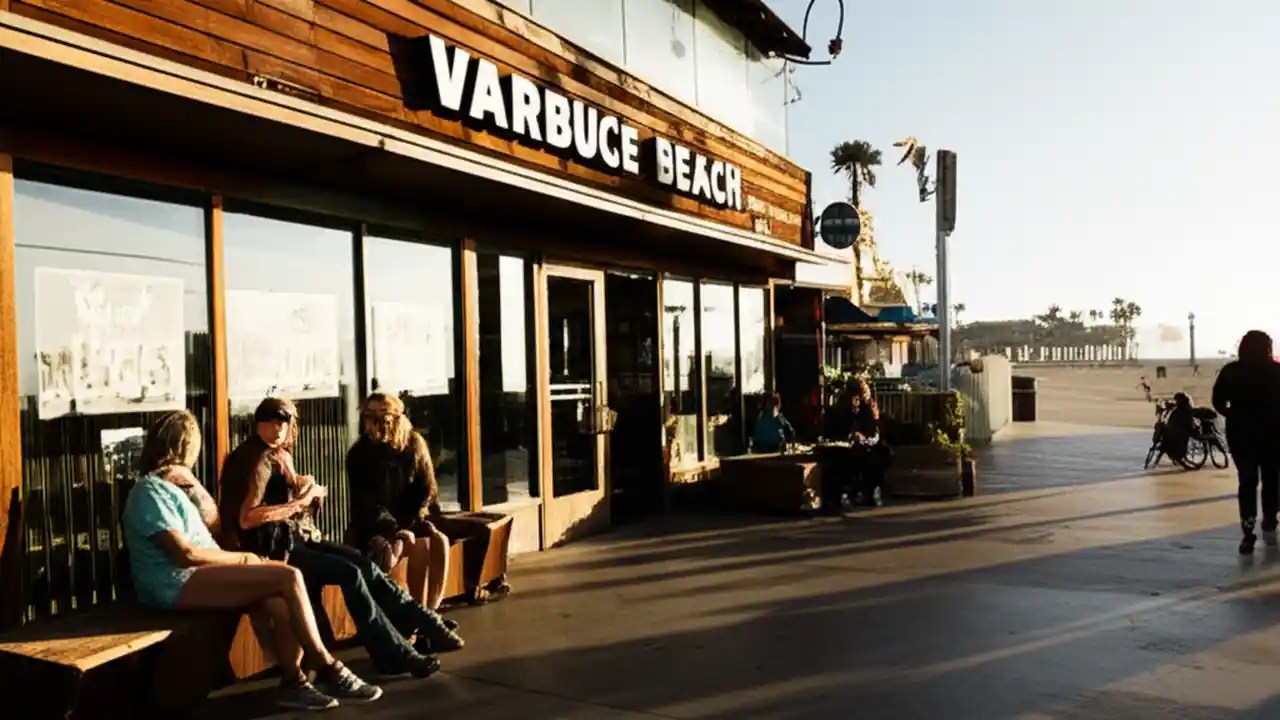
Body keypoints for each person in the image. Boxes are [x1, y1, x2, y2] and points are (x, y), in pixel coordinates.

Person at [123, 410, 381, 711]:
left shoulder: (175, 487)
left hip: (199, 574)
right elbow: (184, 554)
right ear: (181, 446)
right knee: (289, 577)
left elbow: (213, 528)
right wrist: (244, 559)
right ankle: (326, 664)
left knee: (279, 603)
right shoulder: (149, 491)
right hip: (171, 582)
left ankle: (293, 681)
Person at [219, 397, 463, 680]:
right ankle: (395, 651)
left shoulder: (272, 453)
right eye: (283, 423)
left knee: (362, 564)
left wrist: (305, 488)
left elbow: (424, 491)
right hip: (271, 549)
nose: (287, 429)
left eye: (289, 423)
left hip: (291, 538)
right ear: (268, 425)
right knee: (350, 573)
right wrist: (299, 502)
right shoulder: (258, 459)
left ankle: (420, 621)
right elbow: (247, 518)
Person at [347, 393, 452, 611]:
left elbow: (426, 488)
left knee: (439, 541)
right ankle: (417, 612)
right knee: (418, 546)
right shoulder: (359, 454)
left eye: (382, 418)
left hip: (410, 517)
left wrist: (409, 523)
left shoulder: (413, 444)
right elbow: (365, 502)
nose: (375, 425)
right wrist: (394, 530)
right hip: (376, 525)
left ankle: (430, 610)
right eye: (369, 417)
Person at [1212, 330, 1280, 555]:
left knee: (1247, 483)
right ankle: (1270, 521)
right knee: (1272, 480)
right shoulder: (1276, 371)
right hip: (1273, 436)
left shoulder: (1232, 371)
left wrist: (1232, 415)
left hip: (1242, 436)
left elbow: (1218, 401)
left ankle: (1248, 533)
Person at [849, 379, 888, 506]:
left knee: (862, 461)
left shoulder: (868, 409)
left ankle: (866, 491)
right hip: (868, 445)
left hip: (872, 446)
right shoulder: (859, 408)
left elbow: (875, 433)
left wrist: (864, 440)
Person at [1161, 392, 1196, 464]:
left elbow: (1186, 421)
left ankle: (1178, 455)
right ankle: (1173, 454)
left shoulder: (1185, 408)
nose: (1176, 402)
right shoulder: (1180, 407)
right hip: (1179, 428)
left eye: (1177, 400)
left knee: (1175, 438)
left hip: (1184, 429)